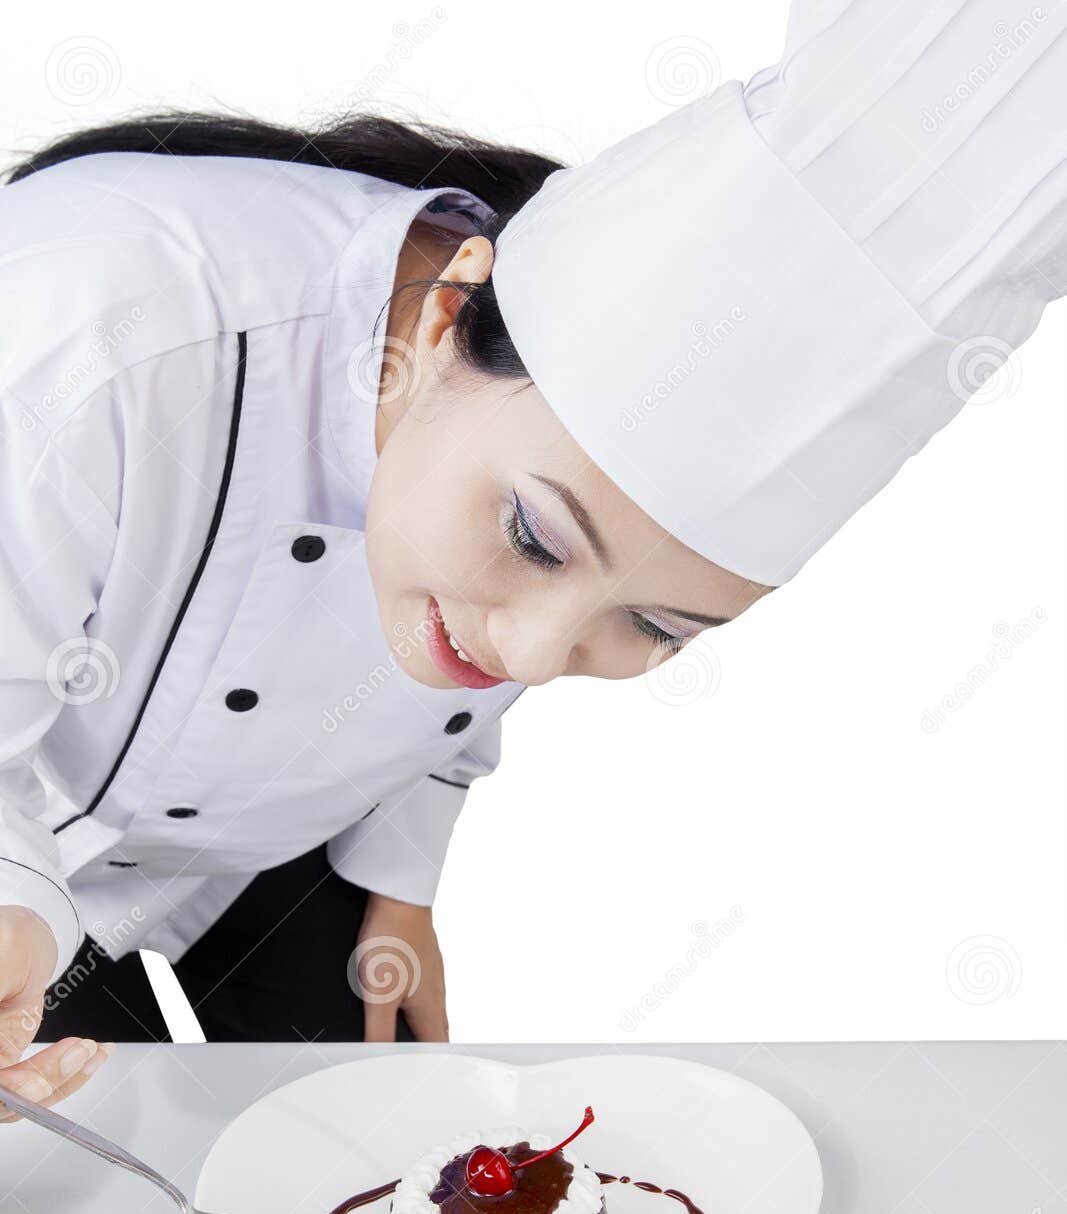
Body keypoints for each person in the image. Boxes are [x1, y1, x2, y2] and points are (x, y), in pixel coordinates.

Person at [2, 0, 1064, 1113]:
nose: (538, 651)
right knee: (88, 1172)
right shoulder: (81, 333)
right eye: (533, 538)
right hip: (28, 808)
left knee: (378, 1143)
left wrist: (397, 878)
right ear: (451, 303)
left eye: (656, 627)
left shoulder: (519, 464)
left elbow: (465, 668)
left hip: (271, 830)